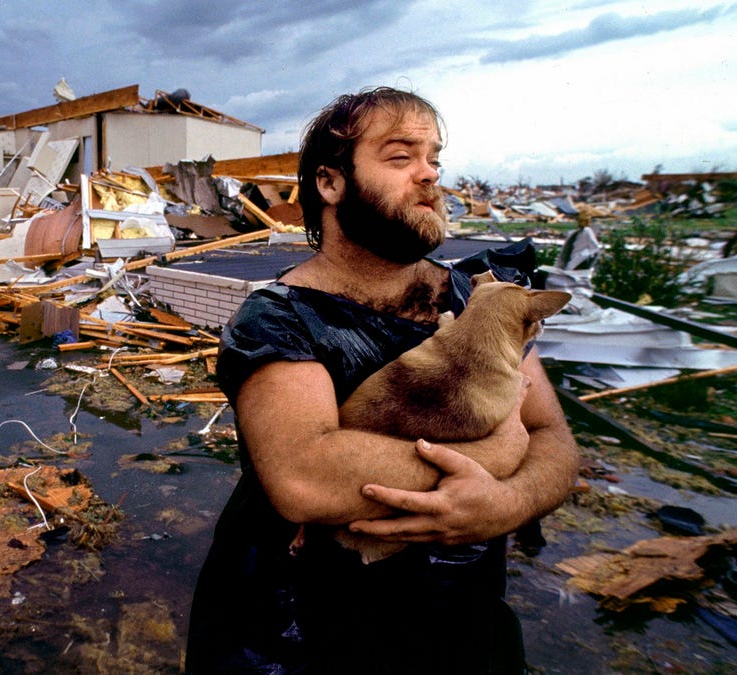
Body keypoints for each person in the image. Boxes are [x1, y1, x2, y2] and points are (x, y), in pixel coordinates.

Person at [185, 87, 580, 674]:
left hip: (457, 629)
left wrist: (506, 503)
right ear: (330, 183)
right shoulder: (281, 317)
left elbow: (554, 438)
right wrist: (500, 449)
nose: (429, 176)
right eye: (400, 158)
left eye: (435, 158)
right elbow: (306, 475)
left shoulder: (477, 298)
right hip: (301, 634)